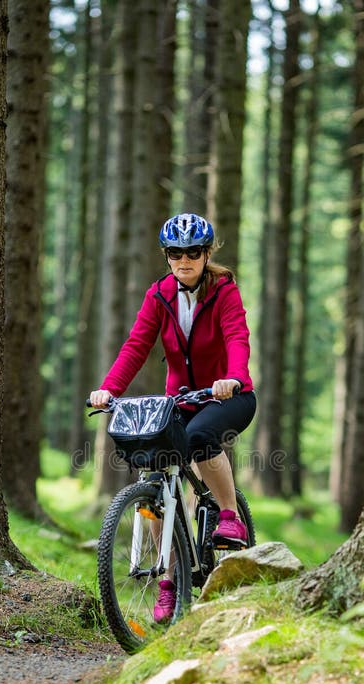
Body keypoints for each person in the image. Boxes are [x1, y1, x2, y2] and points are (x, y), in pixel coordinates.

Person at [89, 213, 256, 622]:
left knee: (200, 438)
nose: (185, 260)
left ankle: (230, 515)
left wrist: (233, 378)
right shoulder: (159, 295)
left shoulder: (224, 291)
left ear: (206, 254)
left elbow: (237, 336)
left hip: (229, 395)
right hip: (180, 399)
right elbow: (136, 345)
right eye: (176, 253)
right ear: (166, 256)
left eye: (193, 252)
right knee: (156, 471)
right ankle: (169, 583)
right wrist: (110, 388)